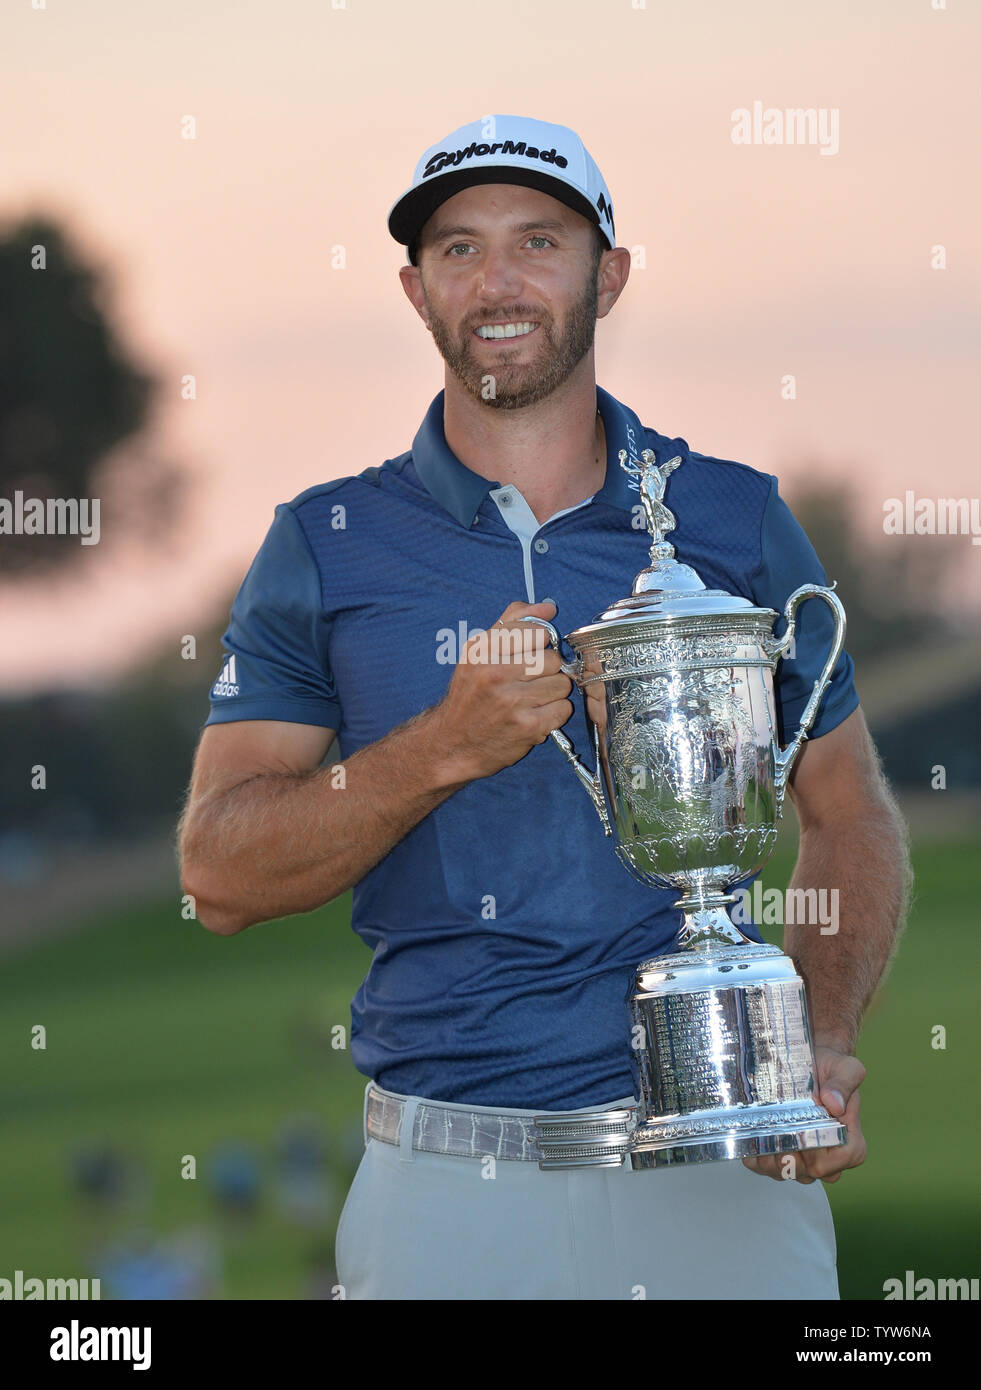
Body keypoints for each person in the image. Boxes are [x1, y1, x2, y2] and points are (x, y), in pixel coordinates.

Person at [177, 115, 911, 1300]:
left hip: (723, 1176)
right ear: (416, 291)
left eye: (539, 242)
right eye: (460, 251)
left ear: (607, 275)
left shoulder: (730, 521)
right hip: (445, 1197)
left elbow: (848, 811)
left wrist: (813, 1046)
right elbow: (216, 875)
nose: (499, 282)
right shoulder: (326, 543)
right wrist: (435, 754)